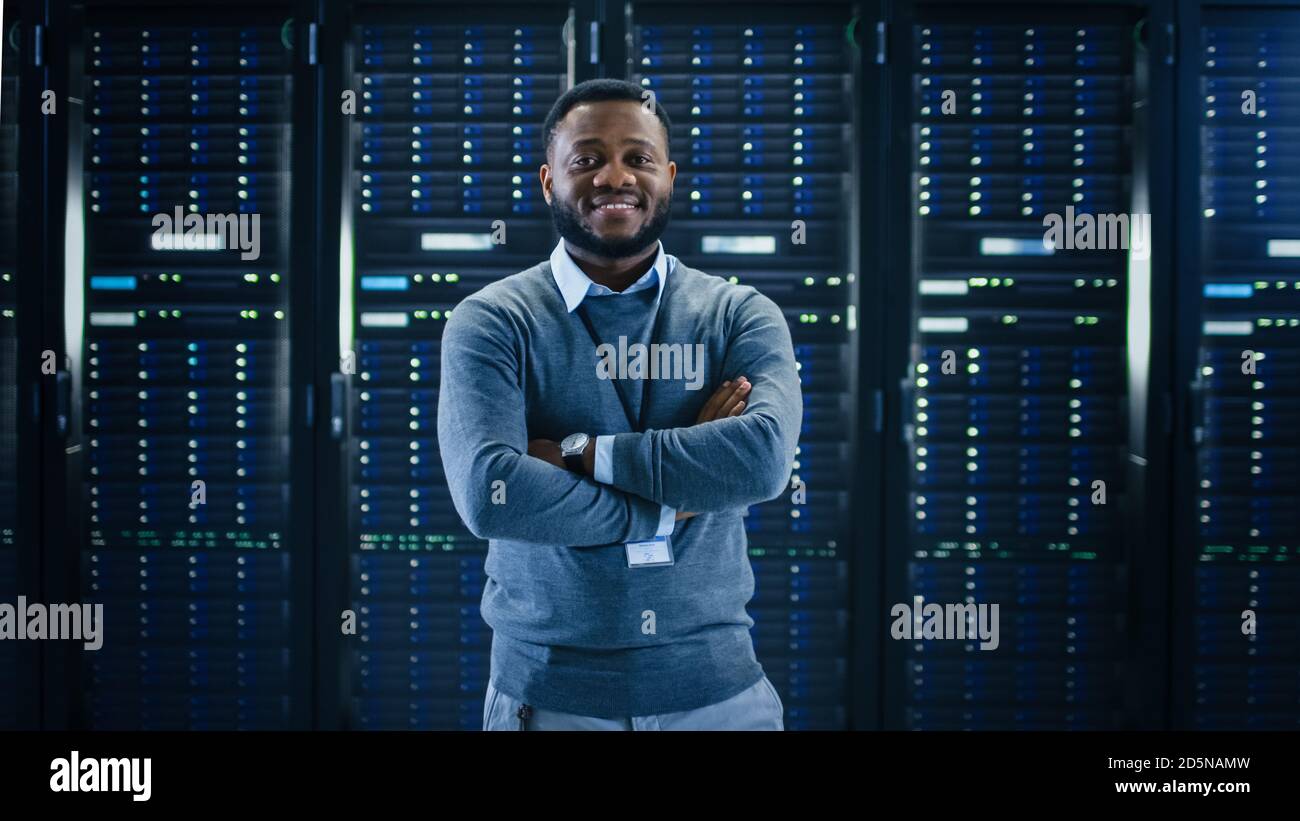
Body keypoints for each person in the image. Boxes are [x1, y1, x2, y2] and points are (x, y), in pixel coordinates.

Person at [437, 78, 803, 730]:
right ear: (549, 181)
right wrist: (675, 498)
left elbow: (762, 460)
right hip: (551, 701)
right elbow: (493, 490)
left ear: (668, 176)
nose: (614, 177)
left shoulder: (741, 315)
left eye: (637, 158)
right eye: (587, 159)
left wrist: (582, 454)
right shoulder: (490, 322)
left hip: (722, 701)